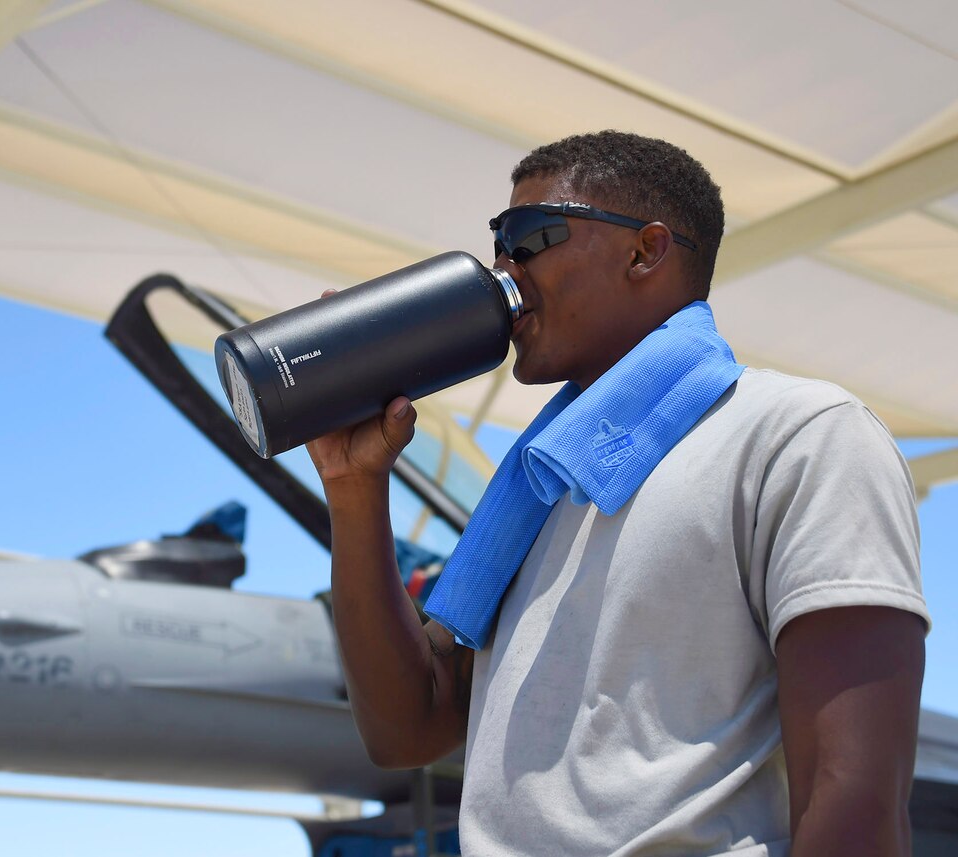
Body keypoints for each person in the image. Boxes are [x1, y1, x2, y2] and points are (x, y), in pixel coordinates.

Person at [307, 130, 930, 856]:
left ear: (645, 251)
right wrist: (354, 486)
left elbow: (854, 800)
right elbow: (407, 729)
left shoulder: (800, 435)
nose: (502, 271)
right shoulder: (539, 485)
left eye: (526, 237)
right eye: (496, 246)